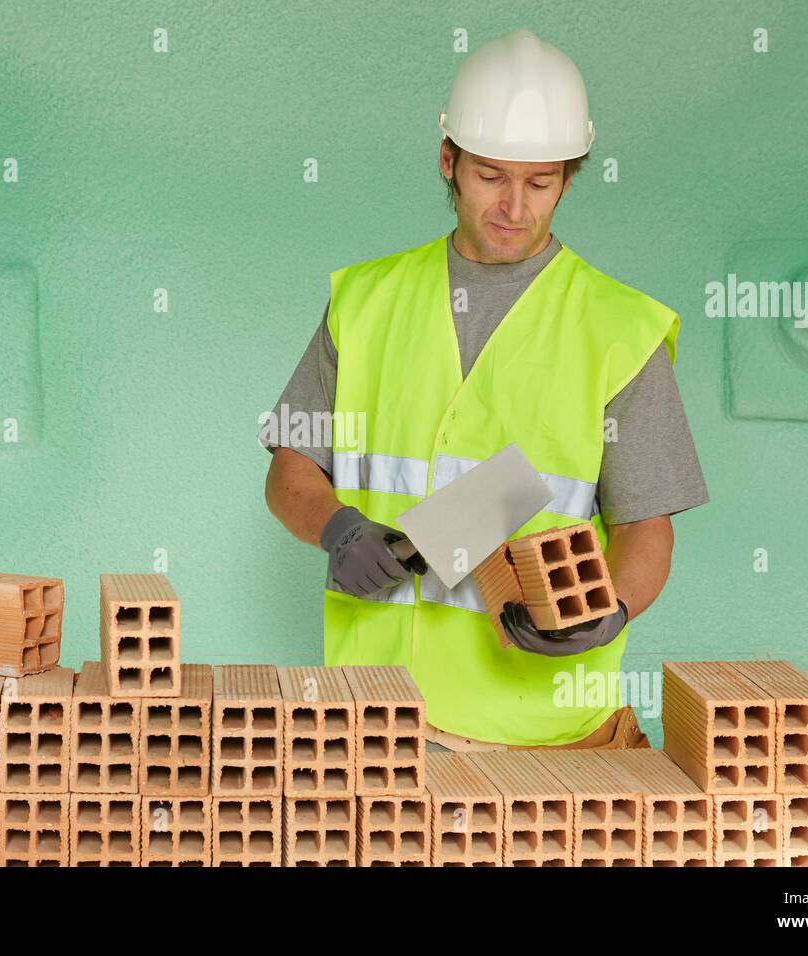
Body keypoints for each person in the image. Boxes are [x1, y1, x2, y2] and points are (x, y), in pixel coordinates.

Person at [260, 30, 708, 751]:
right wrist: (335, 528)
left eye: (541, 182)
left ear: (569, 175)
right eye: (491, 177)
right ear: (449, 161)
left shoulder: (620, 328)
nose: (515, 207)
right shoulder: (366, 300)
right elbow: (290, 472)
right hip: (369, 724)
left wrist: (613, 610)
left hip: (540, 732)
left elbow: (645, 530)